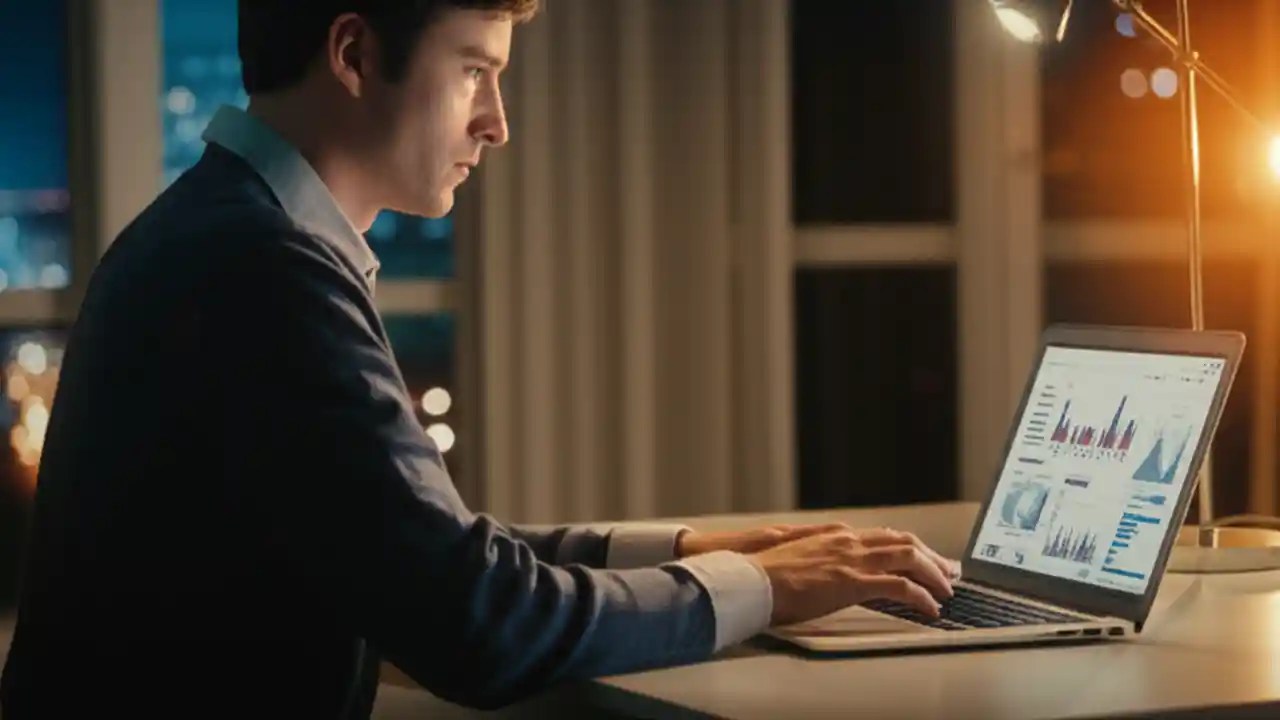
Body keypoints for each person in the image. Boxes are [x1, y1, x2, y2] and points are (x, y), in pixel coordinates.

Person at [0, 1, 961, 717]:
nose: (497, 120)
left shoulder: (224, 232)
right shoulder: (263, 270)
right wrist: (766, 589)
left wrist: (685, 552)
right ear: (353, 53)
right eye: (473, 71)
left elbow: (412, 558)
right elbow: (474, 622)